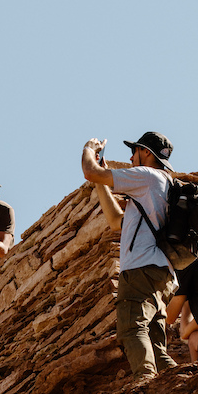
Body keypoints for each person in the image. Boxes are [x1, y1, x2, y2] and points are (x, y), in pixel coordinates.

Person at [81, 132, 180, 380]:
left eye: (134, 151)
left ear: (146, 152)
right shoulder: (162, 184)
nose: (130, 157)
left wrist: (88, 149)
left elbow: (89, 171)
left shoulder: (147, 176)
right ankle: (178, 383)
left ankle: (145, 382)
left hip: (141, 270)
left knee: (131, 327)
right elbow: (116, 222)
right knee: (156, 344)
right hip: (160, 273)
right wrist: (101, 182)